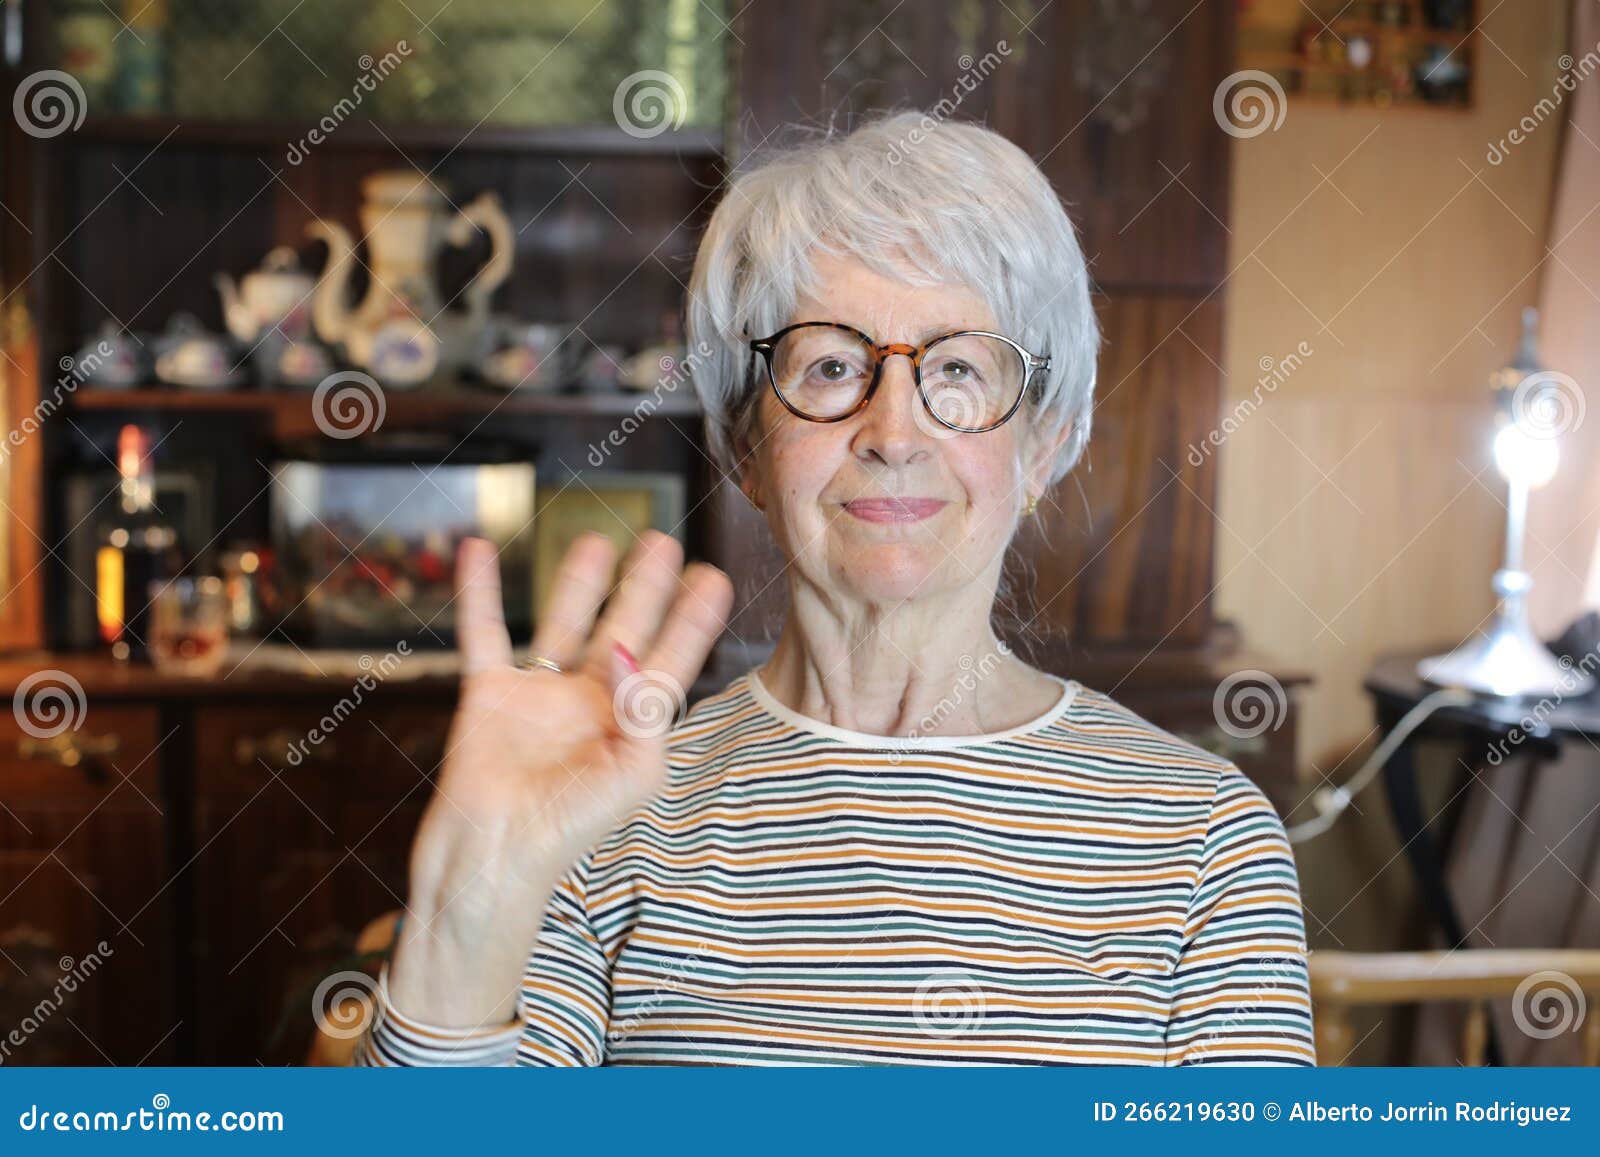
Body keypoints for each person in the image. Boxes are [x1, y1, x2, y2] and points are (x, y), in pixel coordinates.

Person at [354, 111, 1316, 1066]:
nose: (893, 432)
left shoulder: (1203, 839)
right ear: (746, 446)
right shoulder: (599, 800)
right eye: (828, 366)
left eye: (958, 369)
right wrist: (467, 914)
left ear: (1045, 442)